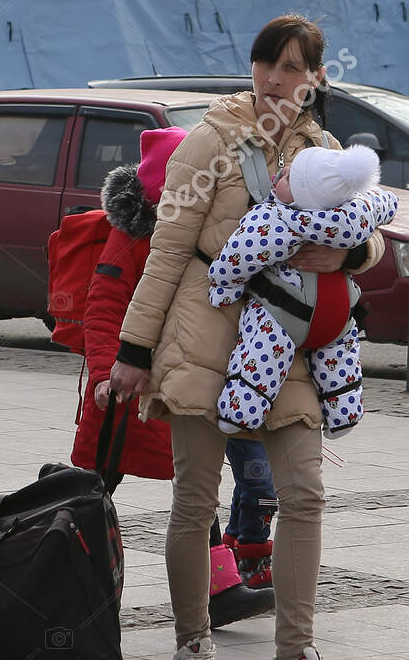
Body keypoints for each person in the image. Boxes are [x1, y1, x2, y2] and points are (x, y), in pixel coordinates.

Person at [108, 14, 384, 660]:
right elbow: (168, 248)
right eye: (267, 64)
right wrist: (134, 354)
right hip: (205, 332)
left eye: (294, 68)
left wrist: (349, 256)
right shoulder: (210, 141)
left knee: (305, 493)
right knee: (195, 500)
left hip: (284, 339)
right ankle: (191, 650)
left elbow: (372, 237)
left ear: (317, 78)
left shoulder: (324, 148)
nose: (276, 80)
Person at [73, 127, 273, 627]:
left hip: (178, 382)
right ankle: (65, 580)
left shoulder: (208, 230)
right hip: (120, 390)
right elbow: (102, 308)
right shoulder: (132, 236)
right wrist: (104, 374)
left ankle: (219, 587)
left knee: (194, 482)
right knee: (93, 489)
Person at [208, 144, 398, 438]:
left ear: (303, 197)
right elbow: (387, 201)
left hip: (285, 317)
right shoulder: (357, 211)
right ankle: (343, 414)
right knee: (341, 362)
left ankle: (241, 412)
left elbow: (240, 256)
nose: (278, 178)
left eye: (287, 179)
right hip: (338, 319)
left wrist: (224, 285)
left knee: (262, 355)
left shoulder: (279, 220)